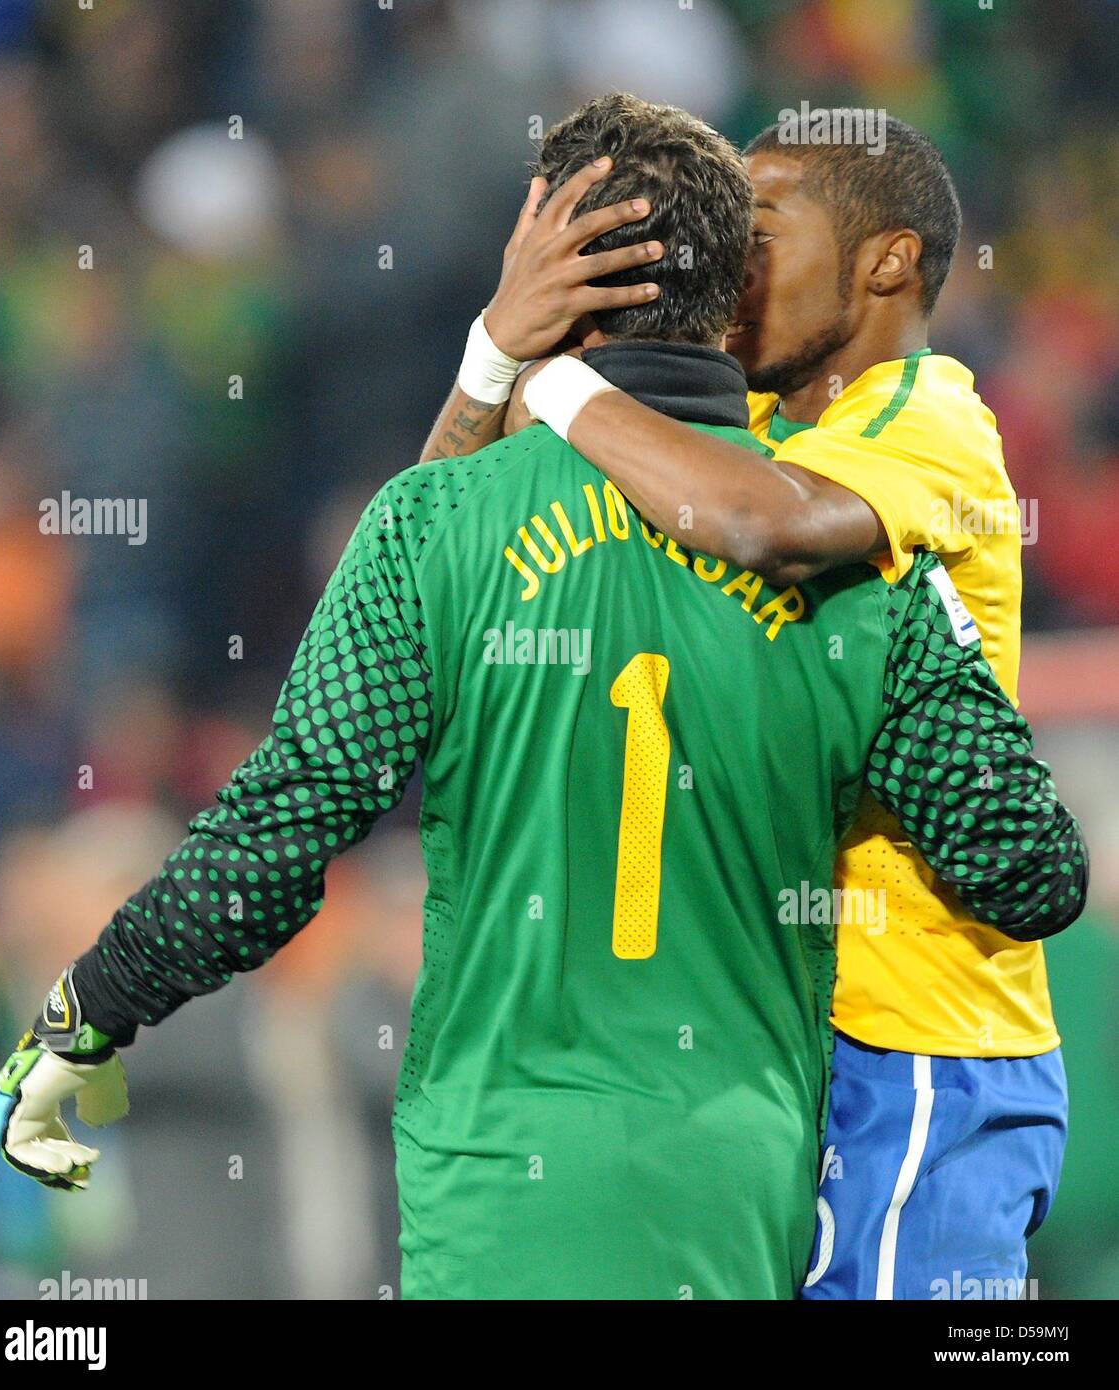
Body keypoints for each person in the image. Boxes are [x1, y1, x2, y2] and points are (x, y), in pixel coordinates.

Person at [0, 96, 1087, 1300]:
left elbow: (276, 836)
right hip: (741, 1191)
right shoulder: (861, 557)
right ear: (731, 291)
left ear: (541, 271)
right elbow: (1030, 868)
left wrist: (82, 1014)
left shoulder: (433, 524)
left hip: (494, 1187)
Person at [430, 113, 1075, 1300]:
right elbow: (425, 569)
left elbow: (764, 524)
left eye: (763, 232)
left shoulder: (928, 420)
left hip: (921, 1039)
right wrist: (493, 354)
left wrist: (563, 380)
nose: (732, 267)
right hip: (778, 1045)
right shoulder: (752, 439)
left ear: (887, 262)